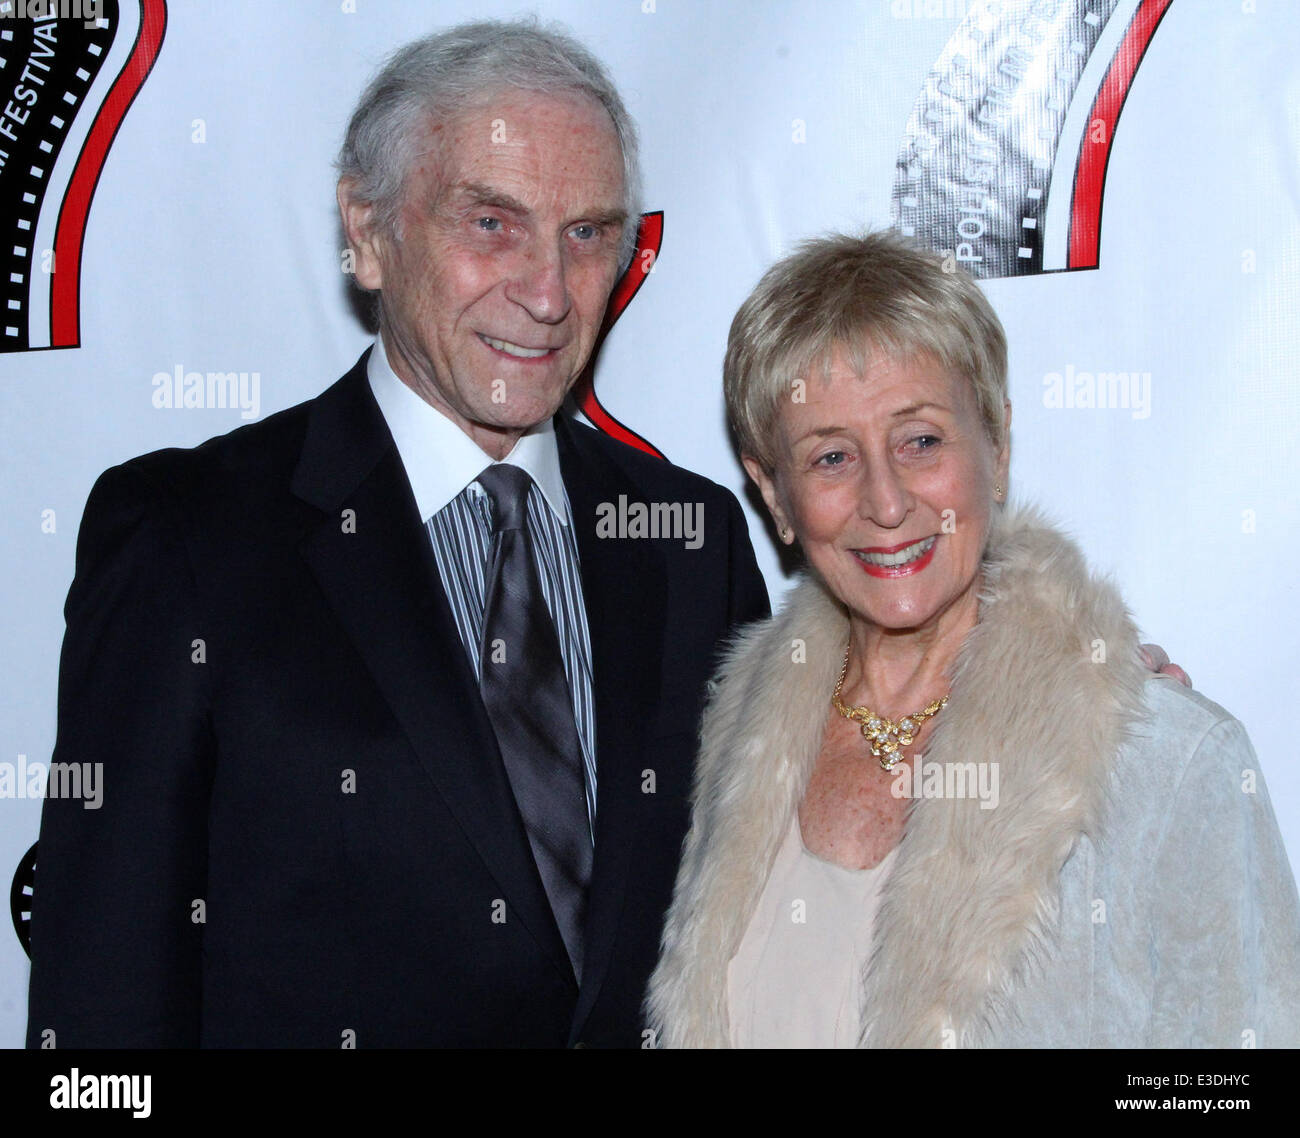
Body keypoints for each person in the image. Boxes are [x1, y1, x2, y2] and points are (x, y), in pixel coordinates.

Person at [25, 19, 770, 1048]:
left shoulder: (693, 542)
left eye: (588, 233)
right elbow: (102, 999)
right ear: (368, 232)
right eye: (492, 224)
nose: (548, 292)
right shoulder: (186, 540)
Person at [646, 231, 1300, 1048]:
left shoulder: (1166, 761)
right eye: (831, 458)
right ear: (773, 496)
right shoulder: (731, 738)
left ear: (997, 445)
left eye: (921, 441)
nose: (885, 502)